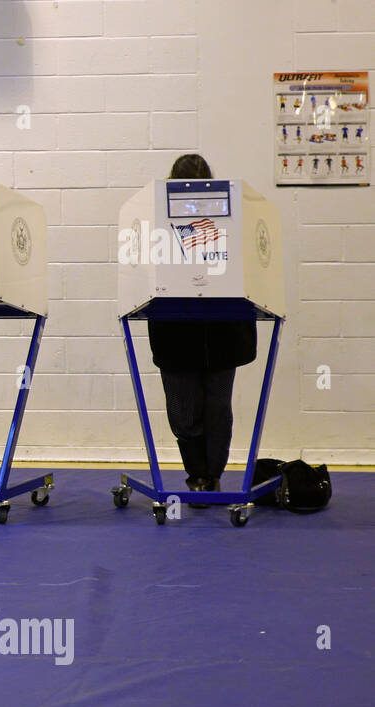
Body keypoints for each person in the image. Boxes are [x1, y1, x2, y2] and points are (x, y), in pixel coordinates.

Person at [148, 154, 255, 502]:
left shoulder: (231, 219)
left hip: (209, 328)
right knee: (209, 409)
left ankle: (204, 476)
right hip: (188, 329)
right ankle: (205, 475)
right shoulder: (155, 220)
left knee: (193, 410)